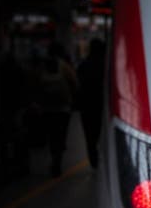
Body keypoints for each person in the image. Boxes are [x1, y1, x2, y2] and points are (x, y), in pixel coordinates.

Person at [37, 41, 79, 176]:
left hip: (47, 108)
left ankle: (54, 155)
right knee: (60, 134)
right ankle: (57, 160)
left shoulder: (42, 66)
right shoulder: (64, 66)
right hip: (63, 108)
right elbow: (75, 82)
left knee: (51, 134)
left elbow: (35, 83)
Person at [76, 38, 106, 168]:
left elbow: (78, 85)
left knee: (90, 137)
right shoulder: (105, 65)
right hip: (101, 106)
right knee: (101, 134)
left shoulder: (83, 65)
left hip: (86, 106)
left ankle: (94, 161)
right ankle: (103, 161)